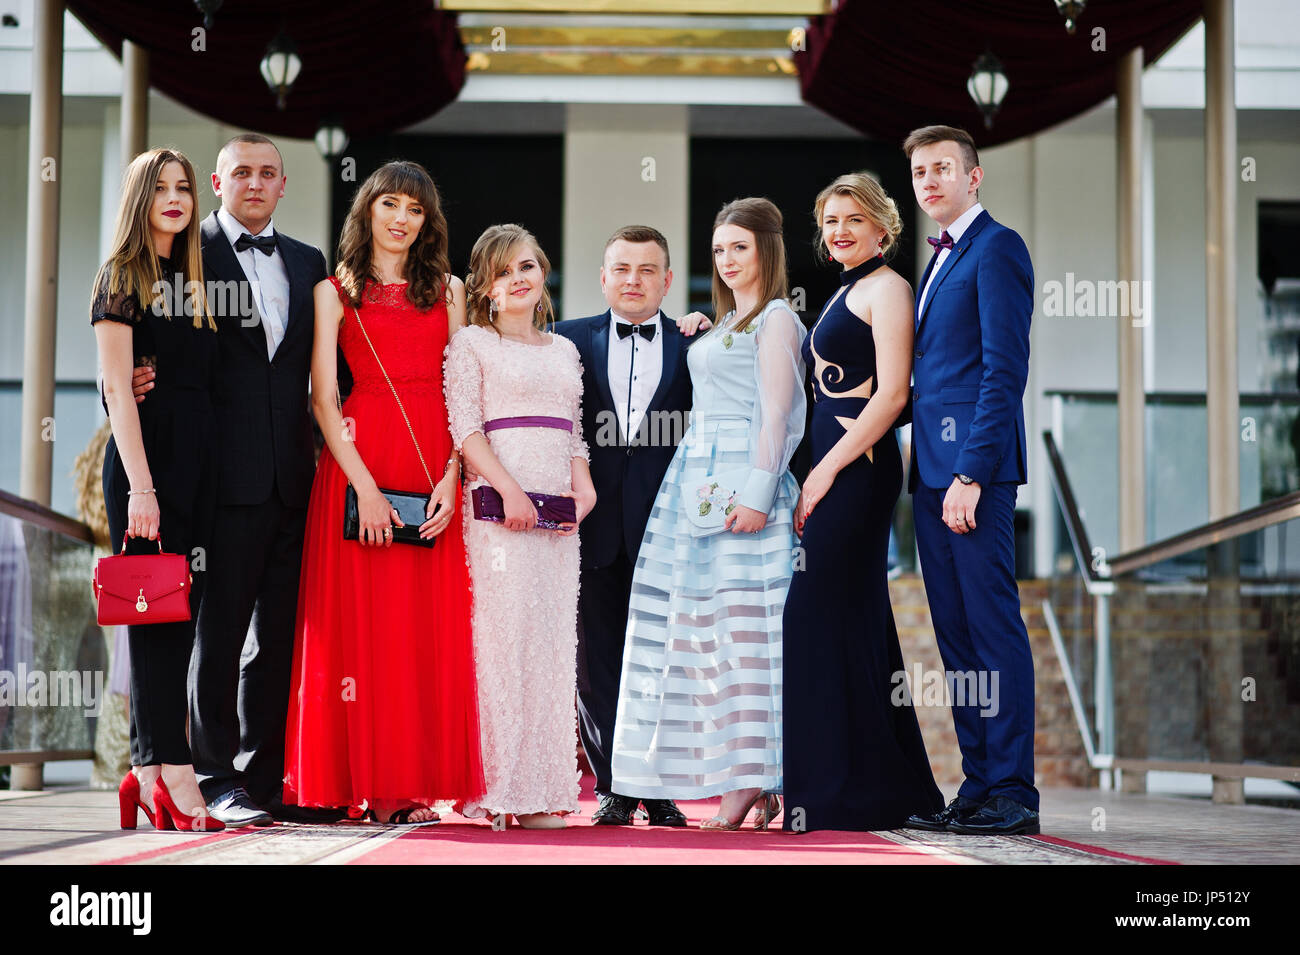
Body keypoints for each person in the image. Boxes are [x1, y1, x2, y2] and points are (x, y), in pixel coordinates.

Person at [130, 134, 335, 826]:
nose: (254, 182)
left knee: (277, 639)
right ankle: (211, 773)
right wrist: (120, 390)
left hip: (293, 480)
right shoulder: (185, 255)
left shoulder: (310, 263)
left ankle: (265, 780)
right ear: (217, 182)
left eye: (267, 173)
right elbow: (137, 349)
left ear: (283, 186)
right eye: (240, 171)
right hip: (213, 478)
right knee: (214, 636)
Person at [281, 161, 483, 824]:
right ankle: (348, 782)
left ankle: (409, 789)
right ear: (367, 209)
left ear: (428, 222)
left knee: (419, 632)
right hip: (357, 463)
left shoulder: (450, 290)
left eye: (415, 209)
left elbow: (463, 393)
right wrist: (365, 488)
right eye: (389, 203)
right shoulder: (333, 290)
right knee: (356, 634)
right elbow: (323, 395)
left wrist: (455, 477)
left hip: (433, 465)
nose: (401, 218)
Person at [611, 197, 806, 830]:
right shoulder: (724, 323)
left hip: (744, 487)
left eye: (739, 248)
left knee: (749, 638)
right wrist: (699, 328)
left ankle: (751, 779)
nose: (726, 261)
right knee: (702, 638)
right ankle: (744, 774)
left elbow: (777, 414)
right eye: (718, 250)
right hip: (693, 486)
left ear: (766, 252)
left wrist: (758, 490)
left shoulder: (777, 318)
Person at [781, 172, 944, 832]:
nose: (839, 230)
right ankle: (867, 787)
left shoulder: (889, 288)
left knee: (816, 616)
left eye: (852, 218)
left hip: (858, 469)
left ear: (883, 226)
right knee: (853, 618)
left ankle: (839, 790)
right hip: (838, 467)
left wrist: (823, 472)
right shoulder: (847, 290)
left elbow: (893, 395)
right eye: (829, 221)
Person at [901, 125, 1039, 835]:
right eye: (921, 171)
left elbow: (1002, 373)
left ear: (973, 176)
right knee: (956, 638)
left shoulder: (998, 248)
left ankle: (1014, 790)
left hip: (971, 477)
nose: (930, 181)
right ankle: (979, 786)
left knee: (992, 629)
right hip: (929, 477)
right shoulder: (935, 266)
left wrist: (971, 474)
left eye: (943, 168)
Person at [445, 224, 597, 829]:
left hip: (559, 518)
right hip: (497, 514)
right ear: (485, 284)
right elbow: (465, 431)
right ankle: (497, 790)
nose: (519, 278)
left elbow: (574, 428)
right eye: (506, 270)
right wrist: (507, 490)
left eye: (529, 266)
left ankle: (544, 788)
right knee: (501, 645)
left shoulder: (564, 351)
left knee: (553, 649)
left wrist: (582, 482)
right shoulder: (470, 347)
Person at [96, 147, 223, 832]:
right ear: (140, 196)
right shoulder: (120, 274)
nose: (174, 198)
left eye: (184, 188)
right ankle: (170, 768)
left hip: (197, 465)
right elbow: (118, 386)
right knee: (152, 616)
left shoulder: (195, 279)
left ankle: (146, 770)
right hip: (146, 467)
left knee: (181, 613)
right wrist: (141, 487)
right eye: (161, 187)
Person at [553, 226, 695, 827]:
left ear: (667, 280)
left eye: (647, 270)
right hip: (592, 526)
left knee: (664, 660)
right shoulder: (563, 341)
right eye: (622, 269)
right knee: (599, 661)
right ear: (604, 277)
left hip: (670, 529)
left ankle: (657, 789)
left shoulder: (696, 347)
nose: (633, 280)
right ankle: (612, 784)